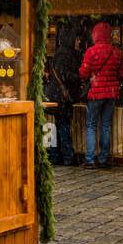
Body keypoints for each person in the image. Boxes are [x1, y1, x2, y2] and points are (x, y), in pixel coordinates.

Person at [79, 21, 123, 169]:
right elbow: (121, 74)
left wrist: (91, 75)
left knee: (91, 125)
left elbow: (83, 73)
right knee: (105, 125)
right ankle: (103, 158)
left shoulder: (91, 52)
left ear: (95, 35)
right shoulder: (116, 52)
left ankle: (90, 159)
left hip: (96, 94)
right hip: (111, 93)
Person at [45, 23, 81, 166]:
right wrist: (79, 76)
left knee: (59, 125)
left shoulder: (63, 52)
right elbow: (64, 74)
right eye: (77, 39)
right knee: (62, 125)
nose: (79, 41)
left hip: (57, 94)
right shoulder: (65, 54)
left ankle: (57, 155)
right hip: (59, 95)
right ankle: (65, 155)